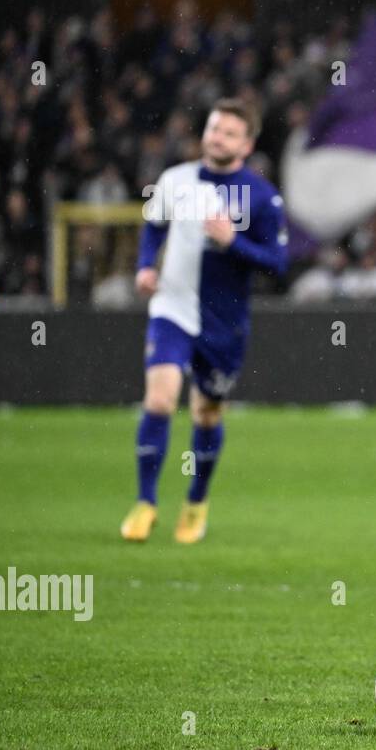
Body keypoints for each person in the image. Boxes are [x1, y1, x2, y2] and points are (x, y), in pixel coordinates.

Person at [120, 98, 288, 543]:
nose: (217, 137)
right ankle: (145, 502)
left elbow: (277, 263)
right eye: (214, 129)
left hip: (223, 324)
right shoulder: (175, 180)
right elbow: (154, 225)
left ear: (247, 144)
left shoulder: (261, 196)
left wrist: (234, 243)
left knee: (207, 414)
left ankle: (195, 501)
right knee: (159, 400)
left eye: (230, 133)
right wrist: (145, 266)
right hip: (171, 307)